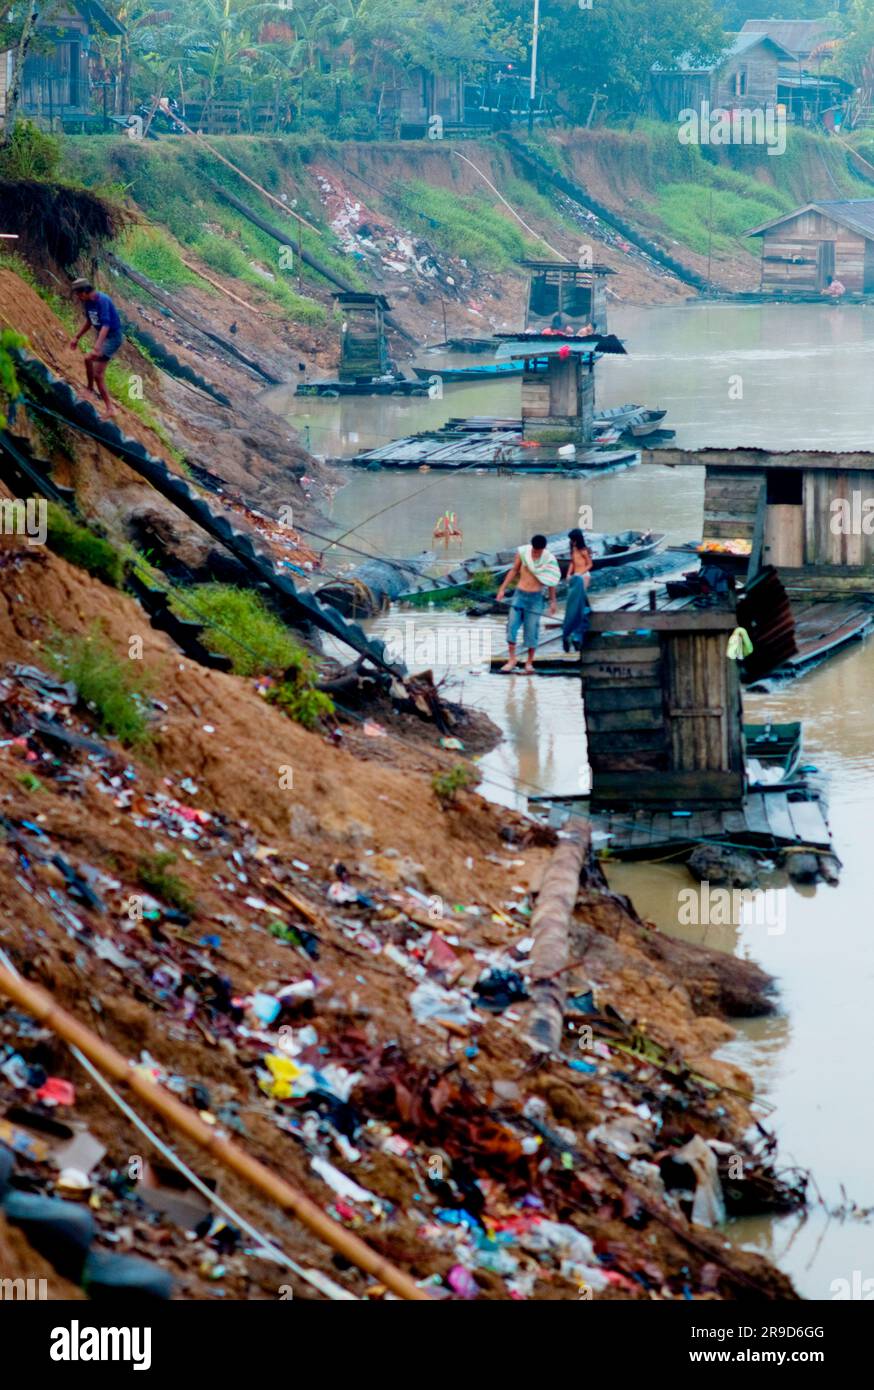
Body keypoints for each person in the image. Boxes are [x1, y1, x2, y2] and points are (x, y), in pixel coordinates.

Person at [496, 533, 560, 674]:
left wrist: (552, 601)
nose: (536, 553)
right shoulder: (523, 553)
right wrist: (502, 589)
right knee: (511, 626)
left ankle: (529, 663)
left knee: (532, 629)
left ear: (544, 549)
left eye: (539, 551)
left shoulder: (548, 559)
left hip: (536, 598)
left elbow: (551, 580)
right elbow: (513, 570)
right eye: (534, 550)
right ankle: (512, 659)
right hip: (520, 595)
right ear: (531, 547)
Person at [68, 279, 124, 416]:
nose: (78, 297)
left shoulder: (102, 300)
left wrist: (97, 347)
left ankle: (103, 401)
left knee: (95, 370)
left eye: (78, 294)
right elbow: (89, 321)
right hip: (104, 337)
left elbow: (106, 325)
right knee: (92, 366)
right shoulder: (88, 302)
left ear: (85, 291)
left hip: (113, 338)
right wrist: (77, 337)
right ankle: (93, 392)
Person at [562, 527, 593, 652]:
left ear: (577, 540)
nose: (571, 542)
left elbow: (590, 564)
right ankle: (574, 633)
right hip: (574, 577)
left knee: (579, 603)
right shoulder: (573, 549)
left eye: (573, 540)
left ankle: (577, 634)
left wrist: (580, 574)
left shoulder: (583, 550)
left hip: (583, 577)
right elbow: (572, 563)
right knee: (574, 603)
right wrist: (568, 574)